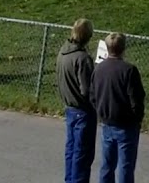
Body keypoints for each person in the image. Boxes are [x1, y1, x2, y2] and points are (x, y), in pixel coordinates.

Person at [91, 32, 145, 183]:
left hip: (107, 122)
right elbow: (137, 98)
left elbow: (92, 95)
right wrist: (137, 119)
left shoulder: (99, 69)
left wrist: (101, 111)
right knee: (125, 167)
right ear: (123, 48)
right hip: (126, 125)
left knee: (107, 165)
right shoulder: (129, 70)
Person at [57, 18, 97, 183]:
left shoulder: (62, 52)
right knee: (82, 154)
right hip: (83, 111)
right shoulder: (82, 58)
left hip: (69, 107)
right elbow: (86, 89)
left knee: (71, 151)